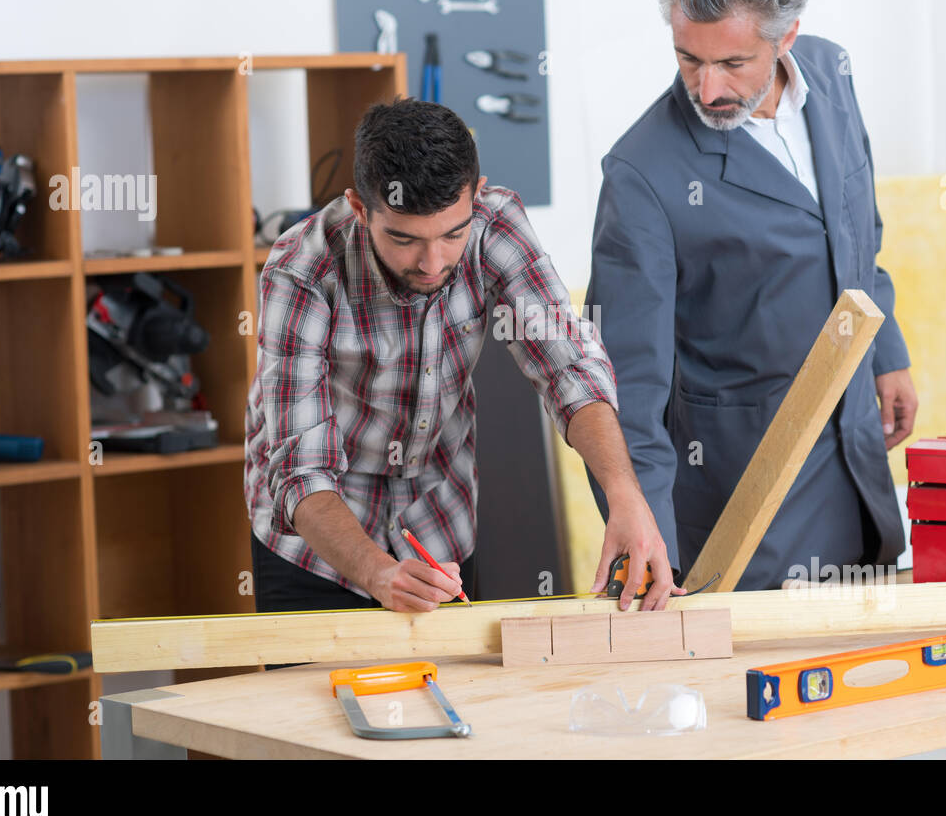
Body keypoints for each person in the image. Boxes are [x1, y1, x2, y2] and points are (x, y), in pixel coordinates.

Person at [245, 98, 679, 614]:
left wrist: (625, 495)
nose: (433, 262)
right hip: (315, 547)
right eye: (404, 239)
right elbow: (302, 470)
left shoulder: (496, 223)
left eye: (453, 234)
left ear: (475, 195)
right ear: (361, 209)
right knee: (310, 696)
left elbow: (567, 365)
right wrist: (378, 573)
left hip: (438, 524)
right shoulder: (302, 270)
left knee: (448, 693)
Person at [585, 0, 918, 590]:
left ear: (787, 37)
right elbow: (629, 383)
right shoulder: (642, 172)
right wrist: (643, 528)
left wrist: (888, 355)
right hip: (746, 492)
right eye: (688, 60)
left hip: (857, 452)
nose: (707, 89)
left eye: (733, 63)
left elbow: (859, 234)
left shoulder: (833, 73)